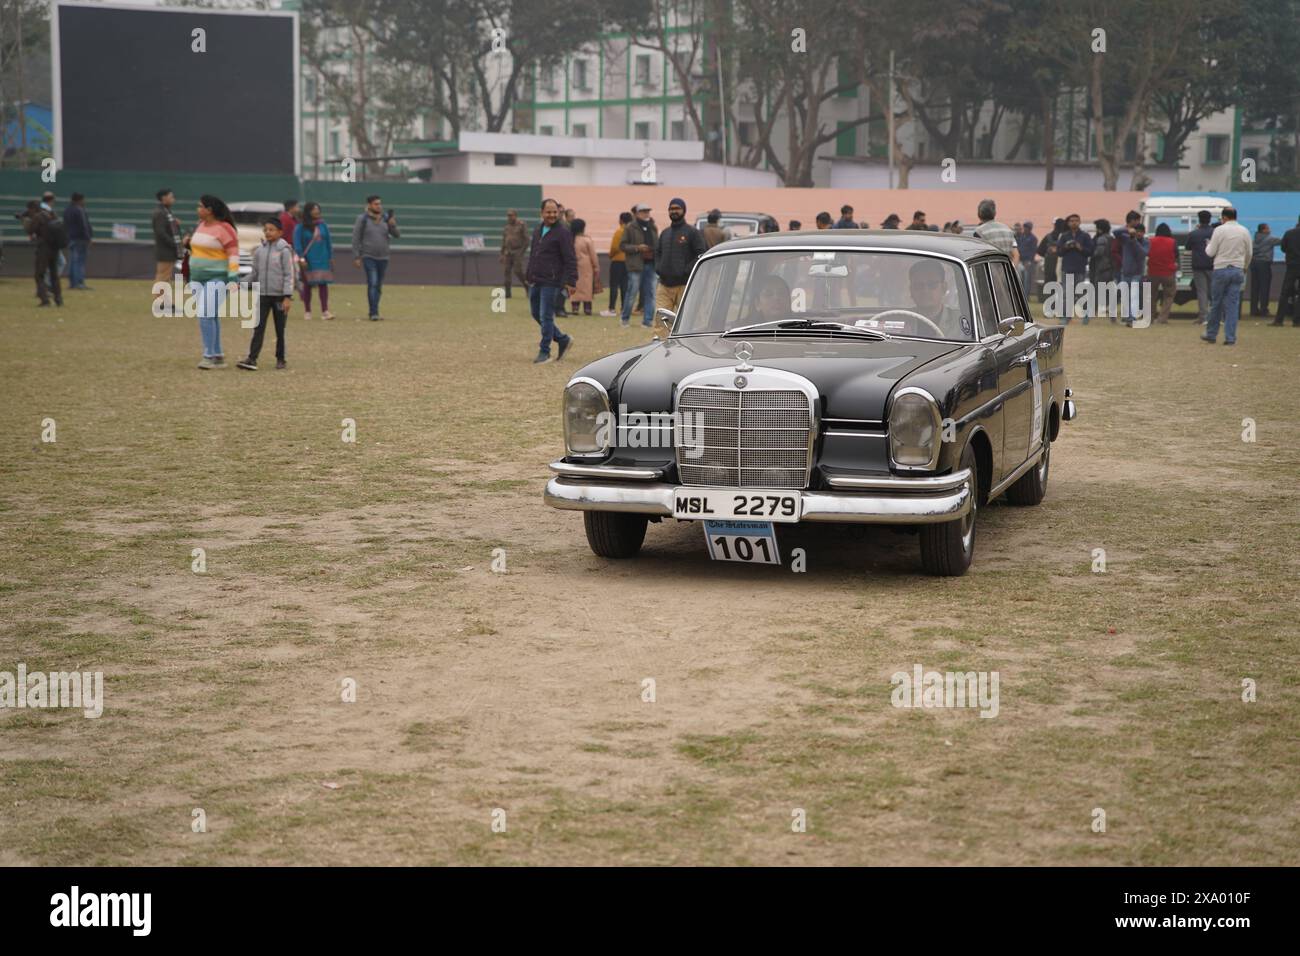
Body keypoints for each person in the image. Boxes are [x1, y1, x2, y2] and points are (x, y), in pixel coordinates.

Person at [186, 194, 239, 369]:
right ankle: (217, 355)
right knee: (211, 315)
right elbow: (201, 249)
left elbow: (233, 254)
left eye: (200, 206)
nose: (197, 209)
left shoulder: (225, 228)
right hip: (197, 278)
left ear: (209, 210)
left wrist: (233, 278)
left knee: (205, 314)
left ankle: (208, 356)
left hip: (218, 277)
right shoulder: (200, 225)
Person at [238, 218, 295, 371]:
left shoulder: (284, 251)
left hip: (279, 297)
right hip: (263, 295)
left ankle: (281, 358)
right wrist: (240, 283)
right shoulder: (259, 251)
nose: (268, 232)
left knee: (280, 328)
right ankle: (252, 358)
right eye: (266, 230)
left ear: (280, 232)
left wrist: (287, 297)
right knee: (258, 327)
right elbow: (254, 274)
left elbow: (289, 275)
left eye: (272, 229)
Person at [524, 198, 575, 364]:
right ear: (542, 213)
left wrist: (571, 280)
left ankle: (544, 351)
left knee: (546, 316)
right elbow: (534, 253)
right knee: (535, 313)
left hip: (552, 280)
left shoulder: (563, 232)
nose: (552, 215)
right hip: (536, 278)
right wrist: (529, 273)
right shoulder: (538, 229)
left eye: (555, 212)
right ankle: (562, 338)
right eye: (549, 212)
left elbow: (570, 258)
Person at [1202, 207, 1252, 345]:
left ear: (1224, 218)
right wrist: (1244, 267)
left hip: (1221, 269)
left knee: (1216, 303)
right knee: (1232, 305)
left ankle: (1211, 334)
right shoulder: (1244, 231)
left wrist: (1207, 245)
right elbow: (1249, 253)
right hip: (1237, 269)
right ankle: (1230, 337)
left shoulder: (1219, 230)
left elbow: (1211, 252)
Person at [654, 197, 707, 316]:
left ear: (684, 210)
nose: (673, 211)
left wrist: (686, 271)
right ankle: (661, 336)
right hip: (664, 286)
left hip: (684, 285)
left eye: (677, 208)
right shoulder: (665, 233)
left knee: (686, 318)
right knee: (660, 319)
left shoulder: (692, 232)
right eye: (671, 209)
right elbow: (657, 252)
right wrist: (658, 268)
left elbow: (700, 254)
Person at [351, 195, 399, 321]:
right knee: (372, 282)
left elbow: (396, 235)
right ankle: (373, 312)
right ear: (369, 205)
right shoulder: (362, 219)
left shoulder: (386, 219)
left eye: (380, 204)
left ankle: (375, 310)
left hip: (383, 257)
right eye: (376, 204)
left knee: (378, 285)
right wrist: (356, 256)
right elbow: (356, 238)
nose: (379, 206)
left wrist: (393, 225)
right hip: (368, 256)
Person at [620, 202, 658, 328]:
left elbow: (657, 244)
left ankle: (647, 321)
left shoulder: (653, 227)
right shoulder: (630, 228)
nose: (646, 214)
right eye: (643, 211)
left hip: (651, 264)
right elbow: (623, 245)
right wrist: (637, 248)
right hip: (636, 265)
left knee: (650, 293)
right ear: (636, 214)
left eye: (647, 211)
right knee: (632, 292)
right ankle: (625, 319)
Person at [295, 201, 334, 321]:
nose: (317, 211)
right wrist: (301, 258)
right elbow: (297, 244)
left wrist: (330, 258)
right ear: (308, 212)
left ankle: (325, 311)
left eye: (318, 209)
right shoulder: (300, 227)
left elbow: (328, 242)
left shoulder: (323, 225)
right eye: (314, 209)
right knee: (308, 285)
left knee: (323, 285)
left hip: (322, 259)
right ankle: (307, 311)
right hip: (308, 260)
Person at [908, 259, 966, 338]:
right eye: (918, 286)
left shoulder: (961, 321)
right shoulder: (900, 319)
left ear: (944, 288)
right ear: (911, 290)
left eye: (932, 285)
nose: (925, 291)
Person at [26, 202, 66, 307]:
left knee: (39, 275)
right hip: (55, 249)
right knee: (54, 275)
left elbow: (30, 230)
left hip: (44, 249)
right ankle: (59, 299)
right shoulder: (51, 215)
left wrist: (26, 221)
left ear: (32, 209)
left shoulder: (38, 217)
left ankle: (45, 300)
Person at [1055, 214, 1093, 323]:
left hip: (1080, 269)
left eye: (1076, 220)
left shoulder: (1085, 236)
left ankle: (1086, 315)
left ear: (1080, 222)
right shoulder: (1064, 236)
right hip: (1067, 268)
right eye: (1072, 221)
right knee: (1067, 293)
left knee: (1081, 293)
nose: (1074, 223)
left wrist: (1079, 247)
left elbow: (1090, 251)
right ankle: (1066, 316)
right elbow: (1059, 252)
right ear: (1068, 223)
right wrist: (1066, 247)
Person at [1114, 220, 1150, 326]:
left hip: (1137, 273)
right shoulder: (1125, 238)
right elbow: (1115, 232)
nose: (1138, 233)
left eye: (1140, 232)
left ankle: (1131, 317)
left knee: (1134, 295)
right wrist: (1127, 229)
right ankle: (1128, 316)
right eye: (1137, 231)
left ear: (1144, 233)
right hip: (1125, 272)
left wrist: (1134, 240)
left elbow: (1142, 254)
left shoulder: (1146, 242)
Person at [1186, 209, 1217, 325]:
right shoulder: (1215, 232)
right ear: (1210, 219)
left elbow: (1188, 247)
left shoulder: (1194, 233)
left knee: (1202, 292)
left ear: (1199, 219)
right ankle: (1216, 316)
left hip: (1198, 265)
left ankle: (1203, 317)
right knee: (1214, 292)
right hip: (1213, 265)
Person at [602, 211, 632, 317]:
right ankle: (624, 308)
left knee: (614, 285)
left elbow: (615, 247)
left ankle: (612, 309)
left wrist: (611, 255)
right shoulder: (631, 231)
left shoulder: (619, 231)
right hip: (628, 262)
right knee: (625, 286)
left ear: (621, 220)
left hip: (617, 261)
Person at [151, 188, 182, 289]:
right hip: (165, 251)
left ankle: (166, 301)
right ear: (164, 198)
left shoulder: (166, 211)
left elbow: (167, 228)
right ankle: (159, 301)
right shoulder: (160, 212)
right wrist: (174, 244)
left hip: (167, 250)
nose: (173, 199)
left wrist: (174, 223)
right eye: (171, 197)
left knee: (166, 277)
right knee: (162, 277)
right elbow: (160, 232)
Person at [569, 218, 601, 316]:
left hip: (573, 266)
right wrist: (596, 267)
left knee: (575, 286)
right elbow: (593, 255)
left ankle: (575, 307)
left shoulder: (570, 239)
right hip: (586, 267)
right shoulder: (587, 240)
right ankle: (587, 308)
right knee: (587, 287)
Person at [1273, 215, 1300, 326]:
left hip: (1292, 265)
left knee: (1285, 293)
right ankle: (1297, 321)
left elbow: (1283, 248)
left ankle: (1279, 320)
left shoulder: (1289, 233)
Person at [972, 198, 1019, 264]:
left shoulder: (979, 232)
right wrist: (1011, 270)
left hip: (990, 272)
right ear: (994, 213)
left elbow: (978, 256)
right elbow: (1016, 255)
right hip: (1006, 271)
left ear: (979, 214)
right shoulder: (1008, 230)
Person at [1147, 223, 1177, 325]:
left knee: (1151, 296)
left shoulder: (1150, 241)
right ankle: (1162, 318)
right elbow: (1176, 255)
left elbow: (1147, 253)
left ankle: (1150, 317)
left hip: (1152, 271)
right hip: (1168, 272)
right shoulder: (1172, 242)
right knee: (1168, 295)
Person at [1249, 223, 1281, 316]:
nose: (1269, 230)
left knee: (1254, 287)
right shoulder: (1269, 239)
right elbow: (1282, 241)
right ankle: (1264, 309)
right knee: (1264, 287)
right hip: (1264, 264)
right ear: (1264, 230)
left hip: (1254, 263)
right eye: (1268, 228)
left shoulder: (1254, 239)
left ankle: (1253, 309)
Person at [64, 192, 93, 291]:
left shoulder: (67, 210)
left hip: (70, 238)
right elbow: (83, 225)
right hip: (81, 239)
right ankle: (79, 283)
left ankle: (72, 283)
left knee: (72, 261)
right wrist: (88, 238)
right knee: (80, 262)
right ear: (79, 200)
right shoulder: (79, 210)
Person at [499, 208, 529, 299]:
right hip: (508, 252)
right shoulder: (506, 227)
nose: (509, 217)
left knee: (518, 271)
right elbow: (504, 241)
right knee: (506, 272)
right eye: (508, 215)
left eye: (511, 215)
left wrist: (521, 252)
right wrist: (502, 253)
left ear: (515, 216)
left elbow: (527, 240)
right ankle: (508, 293)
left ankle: (527, 286)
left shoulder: (521, 225)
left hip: (517, 251)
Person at [1090, 218, 1116, 319]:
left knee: (1097, 290)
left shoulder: (1101, 239)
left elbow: (1098, 252)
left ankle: (1094, 310)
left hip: (1101, 268)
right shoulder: (1111, 238)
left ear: (1100, 229)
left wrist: (1092, 253)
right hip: (1110, 268)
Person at [1038, 218, 1066, 300]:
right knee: (1061, 282)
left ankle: (1049, 301)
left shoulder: (1048, 236)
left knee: (1049, 282)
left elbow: (1040, 251)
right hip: (1062, 263)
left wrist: (1048, 254)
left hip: (1049, 263)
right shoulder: (1065, 236)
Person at [1015, 220, 1038, 300]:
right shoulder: (1021, 237)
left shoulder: (1033, 238)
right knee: (1020, 279)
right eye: (1024, 227)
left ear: (1030, 228)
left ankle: (1025, 297)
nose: (1025, 229)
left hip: (1027, 261)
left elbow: (1033, 251)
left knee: (1027, 280)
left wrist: (1029, 261)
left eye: (1026, 227)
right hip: (1020, 260)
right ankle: (1019, 295)